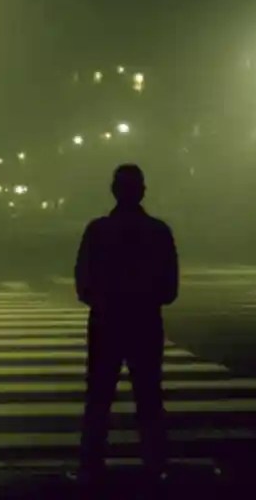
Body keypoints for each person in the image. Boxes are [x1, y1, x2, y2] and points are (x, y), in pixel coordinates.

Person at [74, 164, 180, 493]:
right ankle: (155, 462)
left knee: (99, 396)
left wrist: (105, 298)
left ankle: (91, 463)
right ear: (142, 191)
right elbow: (170, 289)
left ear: (114, 191)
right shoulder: (158, 232)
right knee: (149, 395)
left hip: (106, 321)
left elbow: (83, 283)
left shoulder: (97, 231)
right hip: (145, 322)